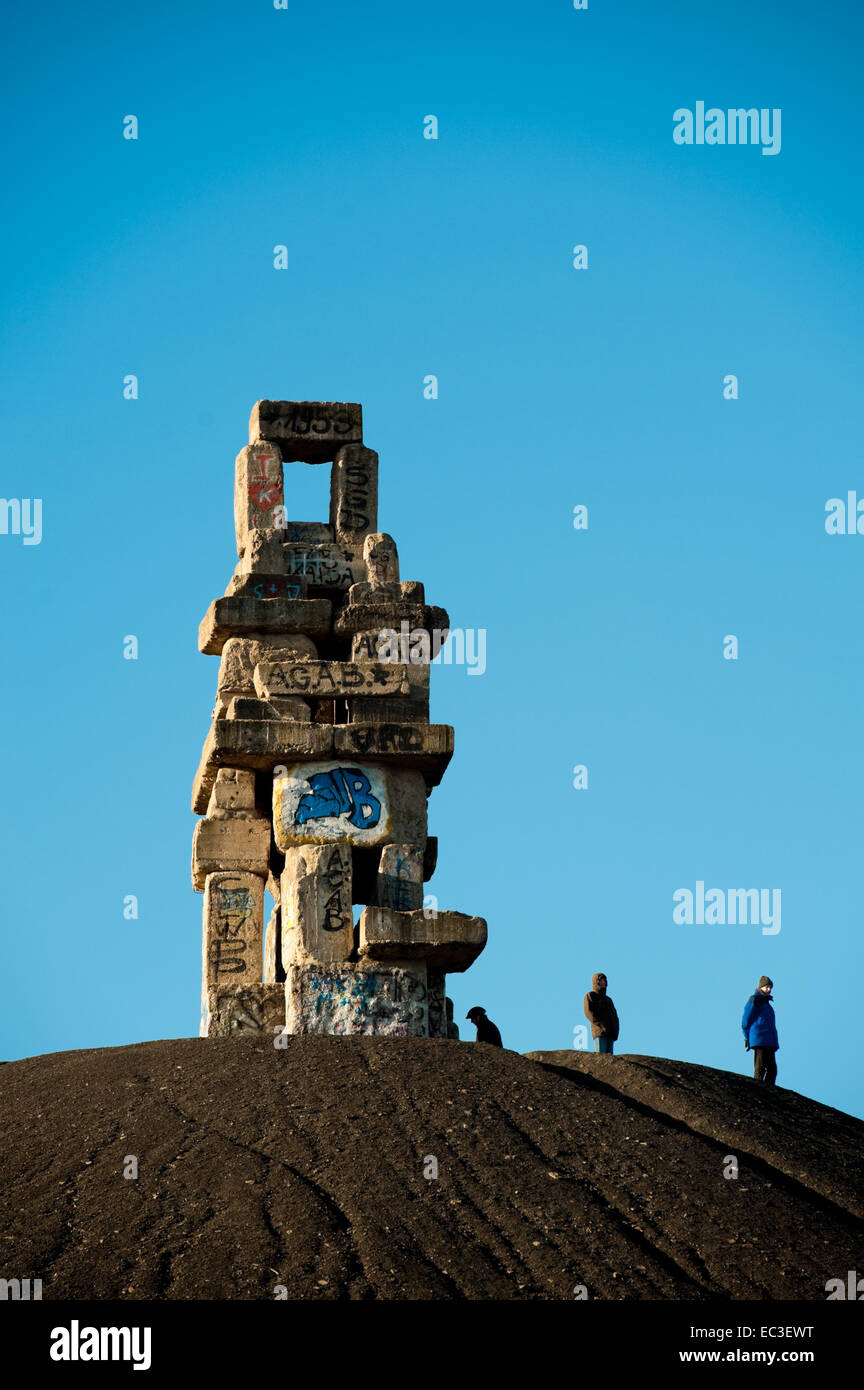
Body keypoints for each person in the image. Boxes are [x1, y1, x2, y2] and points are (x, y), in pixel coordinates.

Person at [741, 975, 779, 1084]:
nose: (769, 989)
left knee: (772, 1070)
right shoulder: (754, 1000)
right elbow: (746, 1020)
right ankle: (757, 1091)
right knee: (760, 1068)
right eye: (767, 987)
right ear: (760, 987)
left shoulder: (767, 1004)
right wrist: (747, 1036)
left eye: (770, 987)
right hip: (759, 1039)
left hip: (769, 1041)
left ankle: (768, 1091)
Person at [583, 972, 619, 1055]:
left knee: (610, 1060)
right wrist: (601, 1025)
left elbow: (615, 1017)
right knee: (600, 1056)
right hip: (599, 1032)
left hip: (610, 1034)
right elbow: (589, 1012)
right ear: (596, 982)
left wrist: (615, 1031)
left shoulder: (608, 1000)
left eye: (604, 981)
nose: (603, 982)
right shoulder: (591, 995)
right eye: (601, 980)